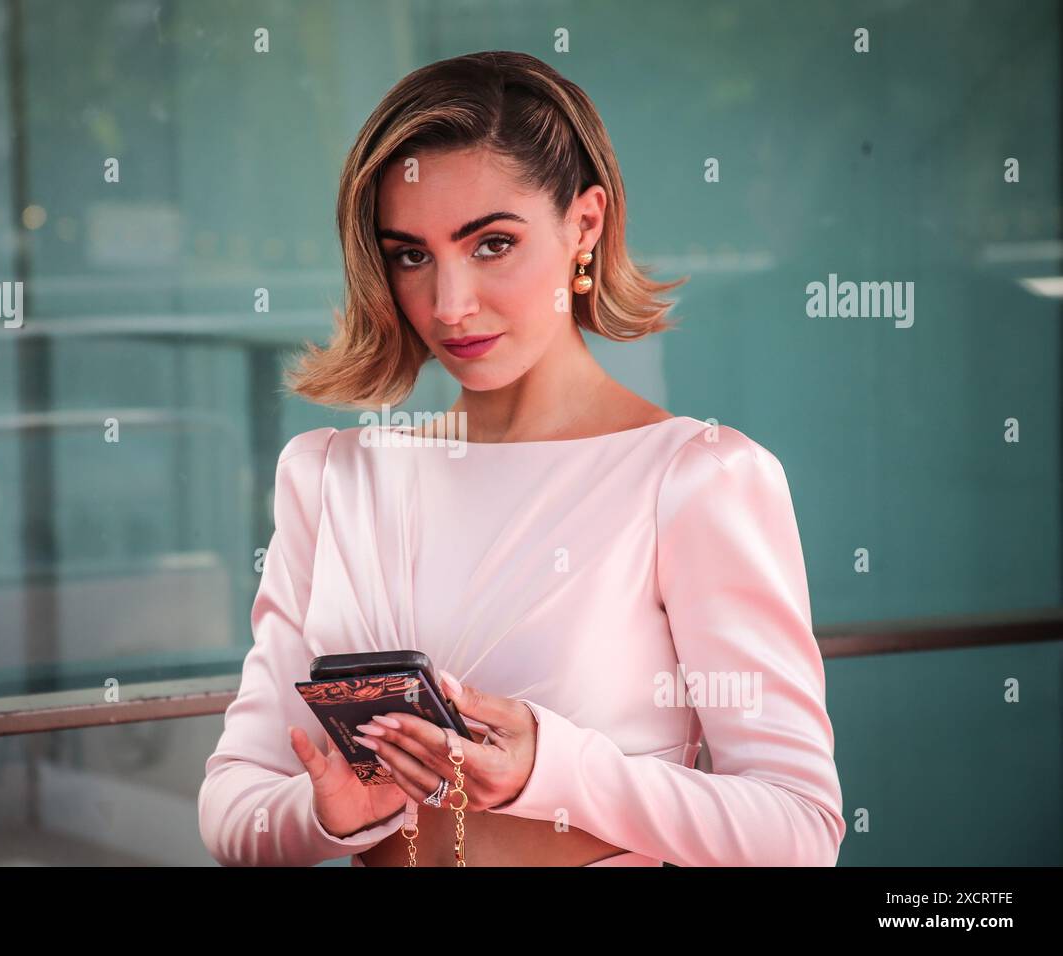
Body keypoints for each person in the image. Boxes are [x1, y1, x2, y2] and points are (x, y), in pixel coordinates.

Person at [197, 50, 846, 867]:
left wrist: (557, 768)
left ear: (586, 224)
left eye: (492, 244)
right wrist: (330, 812)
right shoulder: (329, 478)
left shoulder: (698, 479)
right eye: (411, 254)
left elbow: (798, 830)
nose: (449, 303)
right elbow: (231, 806)